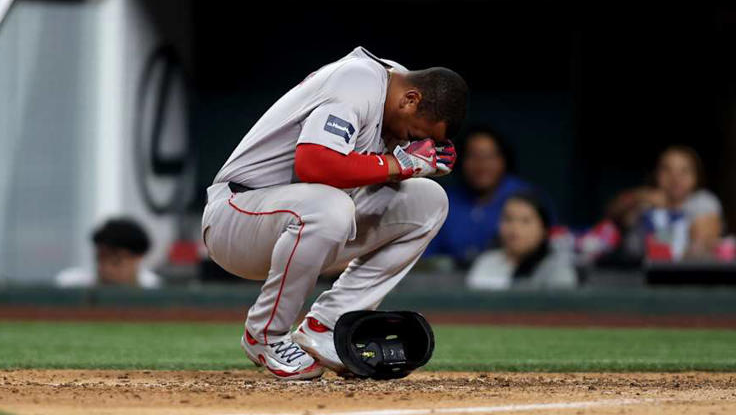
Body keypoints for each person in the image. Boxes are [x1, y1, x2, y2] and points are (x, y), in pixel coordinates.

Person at [202, 46, 467, 379]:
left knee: (429, 201)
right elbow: (314, 163)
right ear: (410, 99)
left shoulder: (394, 88)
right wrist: (400, 164)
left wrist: (409, 166)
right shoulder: (357, 82)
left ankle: (325, 325)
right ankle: (265, 334)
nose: (407, 140)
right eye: (414, 133)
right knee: (331, 209)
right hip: (237, 215)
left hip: (301, 223)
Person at [426, 127, 549, 267]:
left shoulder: (525, 197)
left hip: (516, 277)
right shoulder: (445, 199)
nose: (482, 164)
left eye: (490, 156)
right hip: (449, 281)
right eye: (473, 156)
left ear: (504, 160)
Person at [607, 146, 724, 260]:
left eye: (684, 171)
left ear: (696, 176)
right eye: (666, 169)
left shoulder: (702, 201)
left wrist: (667, 210)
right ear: (656, 173)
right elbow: (613, 215)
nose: (675, 178)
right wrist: (642, 196)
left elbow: (701, 246)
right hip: (635, 274)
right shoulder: (645, 203)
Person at [466, 192, 577, 290]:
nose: (514, 228)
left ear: (544, 229)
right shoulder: (487, 262)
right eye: (508, 219)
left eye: (525, 221)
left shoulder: (557, 271)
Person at [55, 218, 162, 289]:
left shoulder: (155, 289)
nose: (106, 269)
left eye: (116, 262)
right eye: (100, 259)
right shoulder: (71, 285)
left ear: (138, 258)